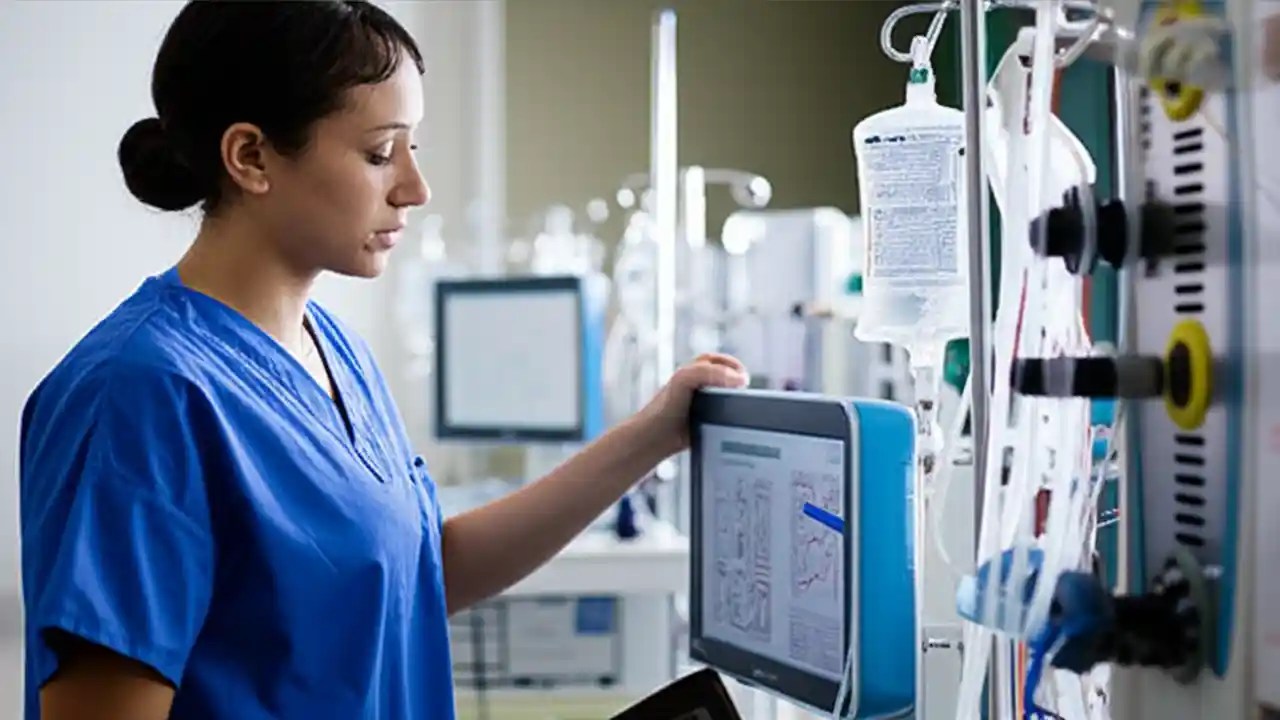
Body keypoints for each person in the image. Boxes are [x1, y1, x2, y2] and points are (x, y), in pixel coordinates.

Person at [18, 3, 748, 719]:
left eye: (413, 149)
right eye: (378, 153)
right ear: (251, 156)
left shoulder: (336, 355)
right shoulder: (139, 395)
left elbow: (423, 571)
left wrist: (652, 434)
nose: (414, 189)